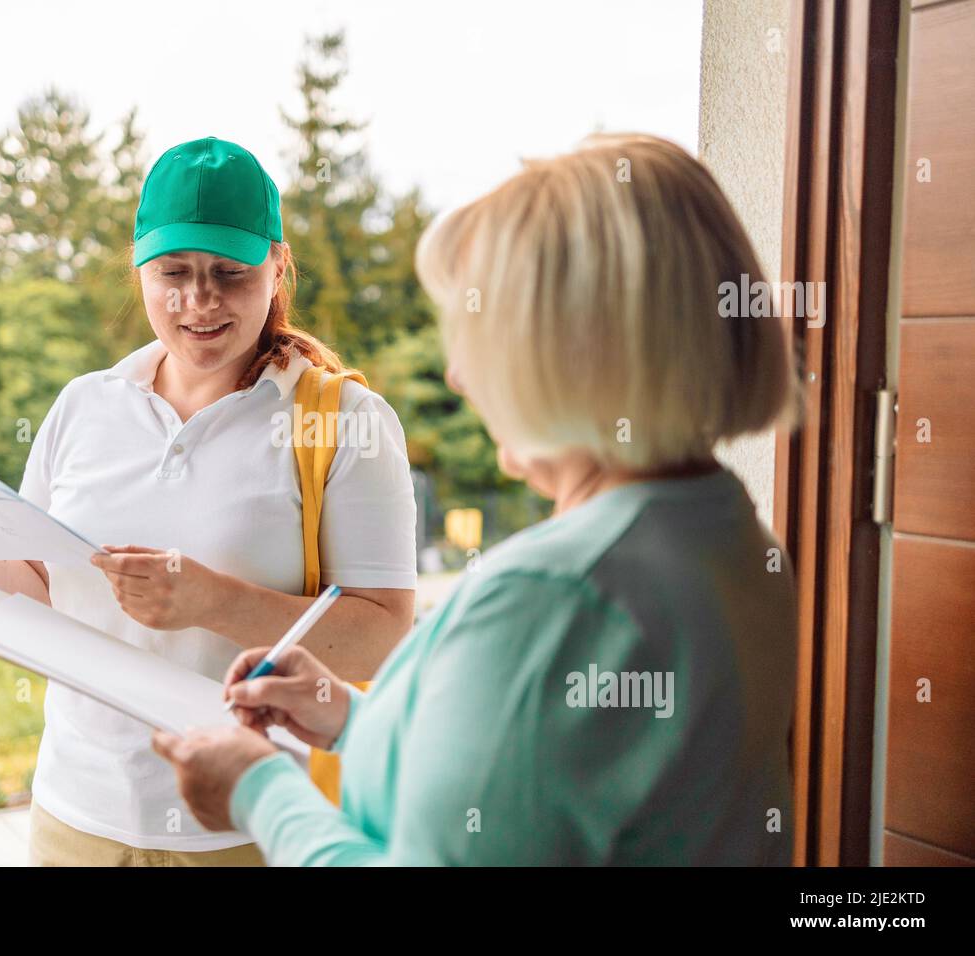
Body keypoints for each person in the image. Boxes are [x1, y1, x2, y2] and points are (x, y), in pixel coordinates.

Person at [153, 133, 802, 865]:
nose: (460, 375)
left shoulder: (555, 596)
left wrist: (258, 790)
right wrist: (350, 718)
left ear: (571, 352)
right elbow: (537, 788)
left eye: (480, 336)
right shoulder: (734, 536)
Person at [0, 136, 417, 865]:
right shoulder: (83, 405)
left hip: (247, 828)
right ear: (140, 266)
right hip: (75, 819)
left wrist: (212, 601)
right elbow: (47, 605)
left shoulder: (345, 422)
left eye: (229, 274)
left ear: (278, 265)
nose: (198, 300)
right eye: (172, 271)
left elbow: (384, 634)